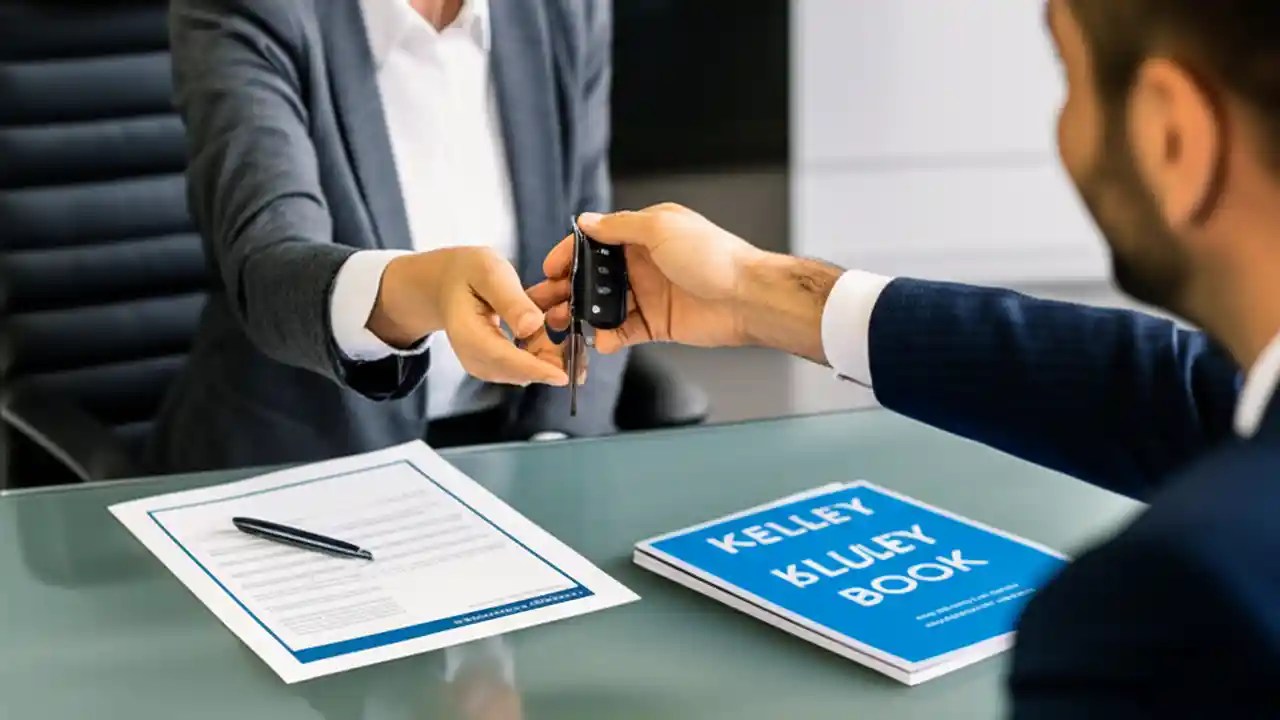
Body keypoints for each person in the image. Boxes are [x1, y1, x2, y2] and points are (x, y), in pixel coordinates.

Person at [532, 0, 1280, 714]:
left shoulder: (1173, 612)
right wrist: (753, 290)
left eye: (1067, 76)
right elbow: (1191, 394)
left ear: (1170, 134)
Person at [146, 0, 624, 473]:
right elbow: (269, 270)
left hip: (515, 443)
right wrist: (425, 291)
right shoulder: (255, 9)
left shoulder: (568, 9)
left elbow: (591, 241)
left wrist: (556, 447)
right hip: (306, 460)